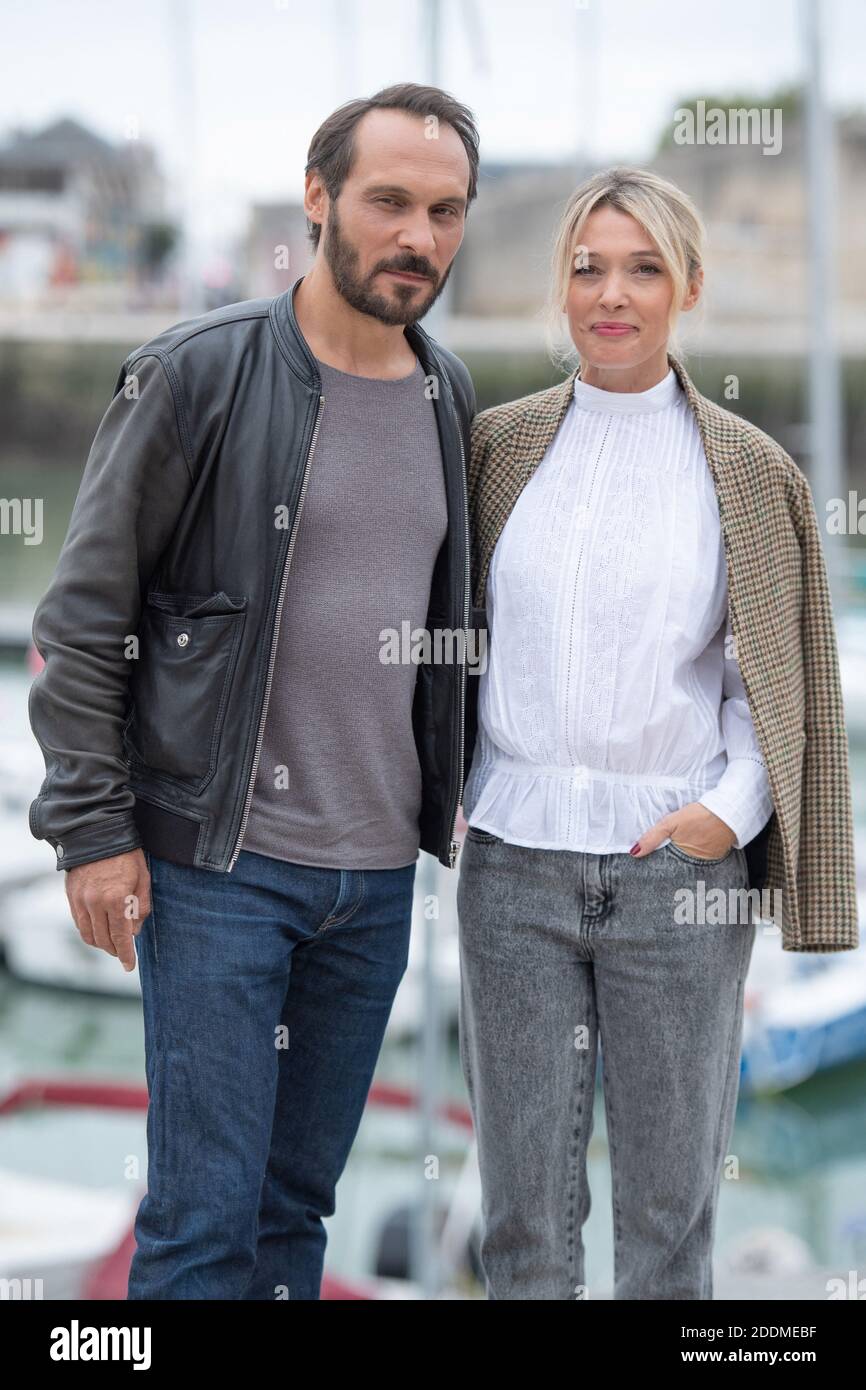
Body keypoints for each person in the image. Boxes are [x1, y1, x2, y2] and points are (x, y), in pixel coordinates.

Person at [28, 82, 480, 1299]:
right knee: (199, 1219)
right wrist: (92, 830)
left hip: (376, 879)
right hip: (217, 869)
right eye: (389, 202)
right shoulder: (191, 374)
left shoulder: (452, 401)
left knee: (295, 1215)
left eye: (445, 211)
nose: (417, 237)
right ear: (319, 196)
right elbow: (80, 625)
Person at [456, 165, 858, 1301]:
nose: (610, 293)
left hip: (679, 876)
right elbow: (455, 640)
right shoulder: (498, 446)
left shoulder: (749, 469)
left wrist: (719, 819)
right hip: (512, 870)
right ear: (560, 284)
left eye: (640, 268)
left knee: (668, 1230)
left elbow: (770, 679)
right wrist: (446, 774)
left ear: (687, 284)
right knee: (522, 1226)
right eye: (586, 268)